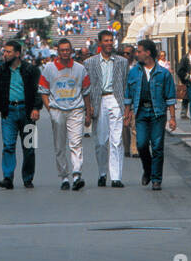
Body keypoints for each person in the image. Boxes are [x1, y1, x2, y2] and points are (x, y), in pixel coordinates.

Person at [0, 38, 43, 190]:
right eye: (4, 51)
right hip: (8, 113)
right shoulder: (0, 71)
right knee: (8, 146)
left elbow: (38, 90)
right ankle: (7, 177)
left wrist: (36, 108)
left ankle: (28, 178)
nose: (5, 54)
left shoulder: (31, 70)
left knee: (29, 147)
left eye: (8, 52)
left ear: (17, 54)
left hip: (27, 112)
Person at [124, 39, 177, 191]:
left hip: (157, 113)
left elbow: (170, 97)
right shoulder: (134, 72)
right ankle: (147, 169)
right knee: (141, 144)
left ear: (148, 53)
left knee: (157, 146)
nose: (137, 54)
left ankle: (156, 179)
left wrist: (173, 118)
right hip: (141, 112)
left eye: (139, 51)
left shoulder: (163, 73)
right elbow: (128, 94)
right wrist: (127, 114)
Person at [40, 38, 91, 190]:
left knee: (76, 143)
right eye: (62, 50)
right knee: (59, 145)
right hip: (57, 110)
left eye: (67, 50)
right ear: (58, 51)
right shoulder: (49, 68)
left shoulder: (80, 69)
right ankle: (64, 177)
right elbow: (43, 91)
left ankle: (76, 174)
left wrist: (88, 112)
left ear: (71, 51)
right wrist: (50, 109)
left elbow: (86, 92)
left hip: (76, 109)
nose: (65, 53)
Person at [85, 29, 128, 187]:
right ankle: (102, 173)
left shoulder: (122, 62)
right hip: (99, 101)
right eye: (106, 40)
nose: (109, 43)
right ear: (100, 43)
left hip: (116, 100)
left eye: (111, 40)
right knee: (101, 141)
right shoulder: (90, 63)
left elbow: (125, 84)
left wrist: (127, 108)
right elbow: (86, 88)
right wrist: (88, 108)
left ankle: (116, 177)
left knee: (117, 140)